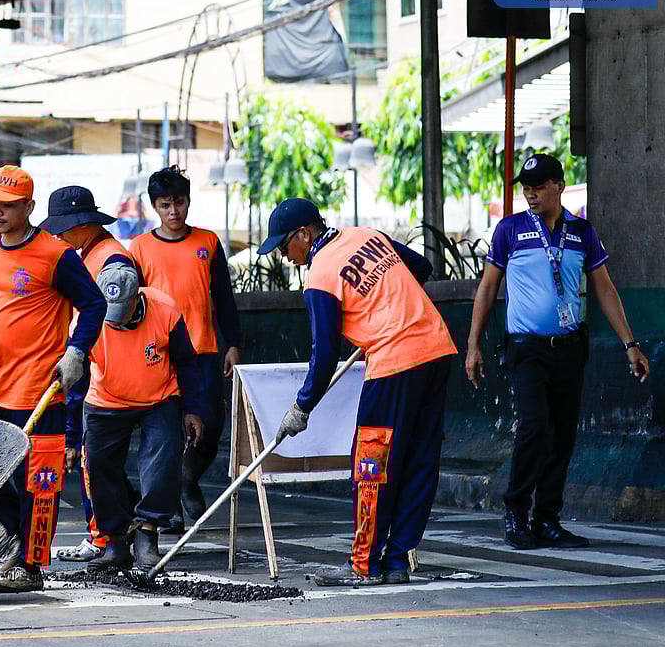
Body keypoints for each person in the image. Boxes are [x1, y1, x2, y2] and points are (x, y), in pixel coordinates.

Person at [260, 198, 457, 587]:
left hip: (394, 364)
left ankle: (364, 565)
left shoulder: (321, 273)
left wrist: (302, 407)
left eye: (285, 247)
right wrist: (384, 305)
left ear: (304, 234)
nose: (286, 256)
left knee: (372, 466)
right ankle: (397, 560)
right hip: (437, 350)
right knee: (418, 460)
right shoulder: (364, 234)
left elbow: (325, 353)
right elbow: (421, 267)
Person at [465, 153, 649, 550]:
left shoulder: (583, 232)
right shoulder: (509, 230)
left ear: (559, 186)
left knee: (563, 435)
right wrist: (473, 345)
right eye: (526, 188)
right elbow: (487, 288)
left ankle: (547, 519)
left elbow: (604, 289)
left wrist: (630, 344)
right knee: (534, 427)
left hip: (568, 348)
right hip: (526, 349)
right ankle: (516, 512)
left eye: (538, 187)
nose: (530, 194)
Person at [0, 166, 105, 593]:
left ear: (28, 207)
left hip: (41, 390)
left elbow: (94, 304)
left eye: (7, 206)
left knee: (40, 482)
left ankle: (31, 566)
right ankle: (17, 530)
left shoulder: (55, 255)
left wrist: (76, 352)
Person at [129, 166, 241, 531]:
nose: (173, 211)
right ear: (154, 207)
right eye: (165, 205)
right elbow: (135, 304)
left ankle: (185, 477)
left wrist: (234, 343)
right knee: (165, 432)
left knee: (211, 425)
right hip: (159, 353)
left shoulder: (208, 242)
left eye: (179, 202)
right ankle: (168, 510)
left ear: (188, 202)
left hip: (204, 349)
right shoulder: (140, 247)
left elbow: (224, 298)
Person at [83, 262, 204, 571]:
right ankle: (115, 542)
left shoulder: (165, 310)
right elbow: (75, 378)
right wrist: (71, 434)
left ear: (137, 297)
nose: (116, 318)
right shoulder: (88, 318)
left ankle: (147, 534)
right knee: (98, 464)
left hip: (158, 397)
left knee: (163, 457)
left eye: (122, 309)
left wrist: (192, 409)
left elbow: (188, 362)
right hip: (106, 399)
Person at [39, 185, 137, 564]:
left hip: (102, 369)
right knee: (97, 459)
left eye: (64, 228)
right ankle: (116, 529)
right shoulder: (91, 253)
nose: (59, 235)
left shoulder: (110, 260)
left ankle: (100, 536)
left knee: (87, 456)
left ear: (83, 223)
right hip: (93, 365)